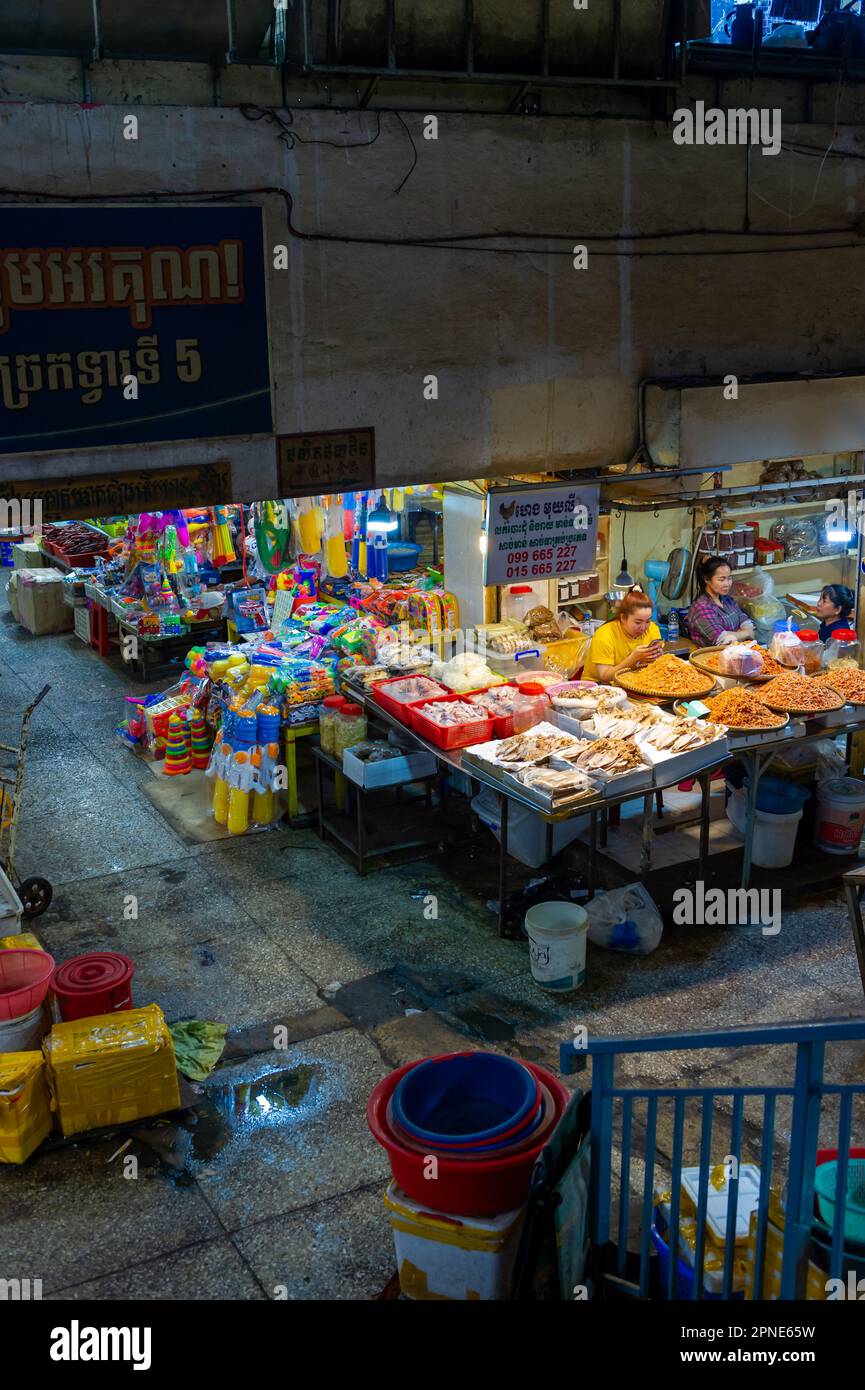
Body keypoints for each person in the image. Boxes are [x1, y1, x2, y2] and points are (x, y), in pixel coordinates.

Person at [582, 587, 663, 683]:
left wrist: (656, 657)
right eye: (638, 622)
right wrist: (633, 659)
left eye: (647, 621)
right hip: (600, 686)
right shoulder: (604, 634)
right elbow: (604, 676)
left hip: (635, 681)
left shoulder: (652, 629)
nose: (643, 627)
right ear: (623, 618)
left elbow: (654, 665)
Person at [688, 557, 754, 648]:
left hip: (736, 653)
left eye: (729, 578)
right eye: (721, 580)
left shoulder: (728, 600)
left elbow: (749, 626)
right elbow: (722, 640)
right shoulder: (701, 607)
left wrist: (735, 635)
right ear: (707, 579)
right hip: (711, 658)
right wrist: (745, 633)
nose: (727, 584)